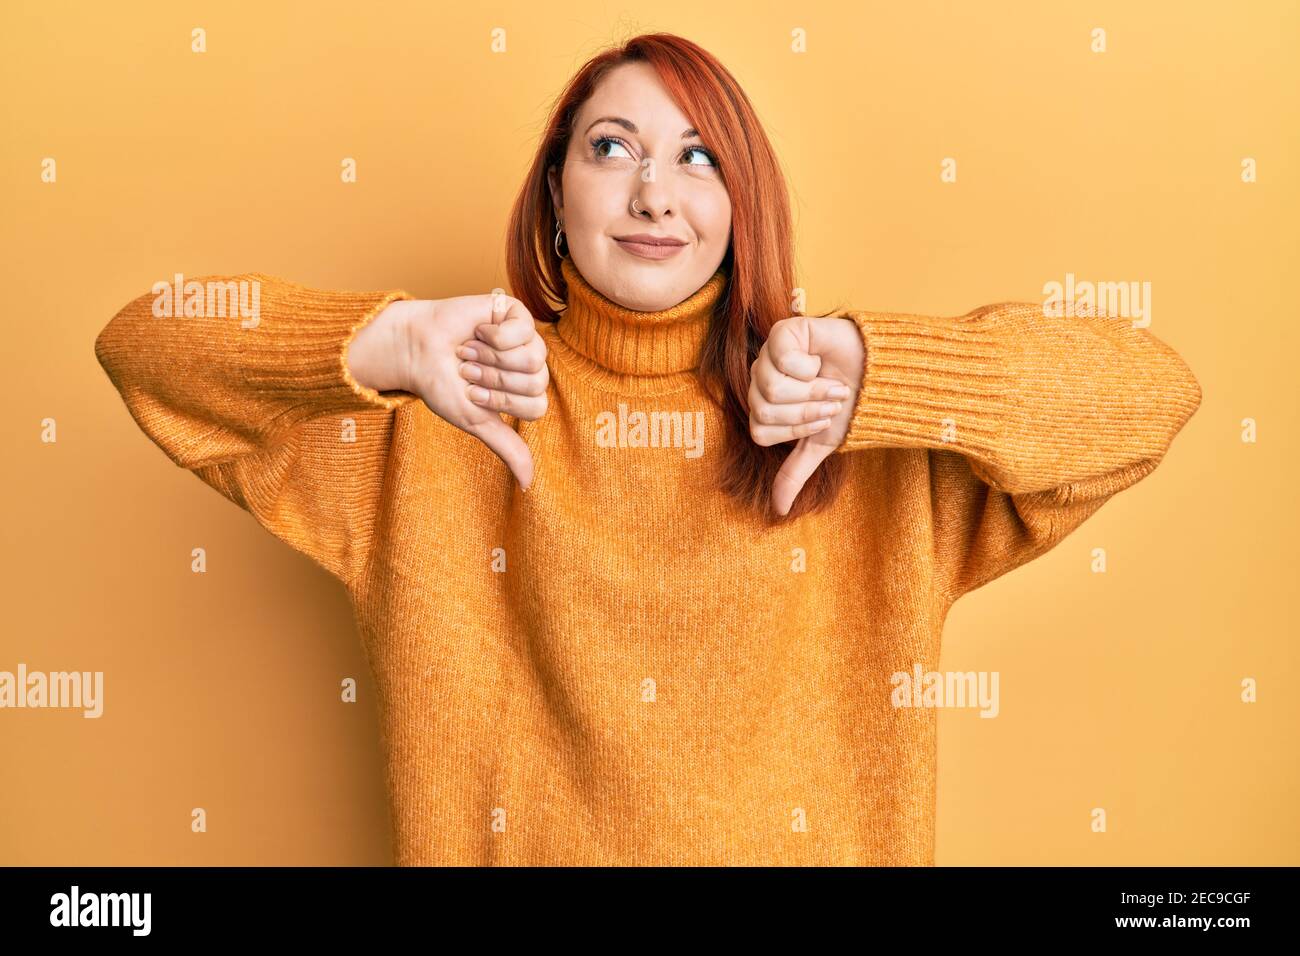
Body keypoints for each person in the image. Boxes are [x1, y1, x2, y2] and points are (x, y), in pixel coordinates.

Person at [93, 33, 1202, 865]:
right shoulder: (439, 420)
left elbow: (1152, 394)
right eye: (610, 147)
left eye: (698, 157)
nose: (651, 192)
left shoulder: (854, 436)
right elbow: (144, 345)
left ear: (741, 203)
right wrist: (383, 341)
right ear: (556, 198)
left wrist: (889, 376)